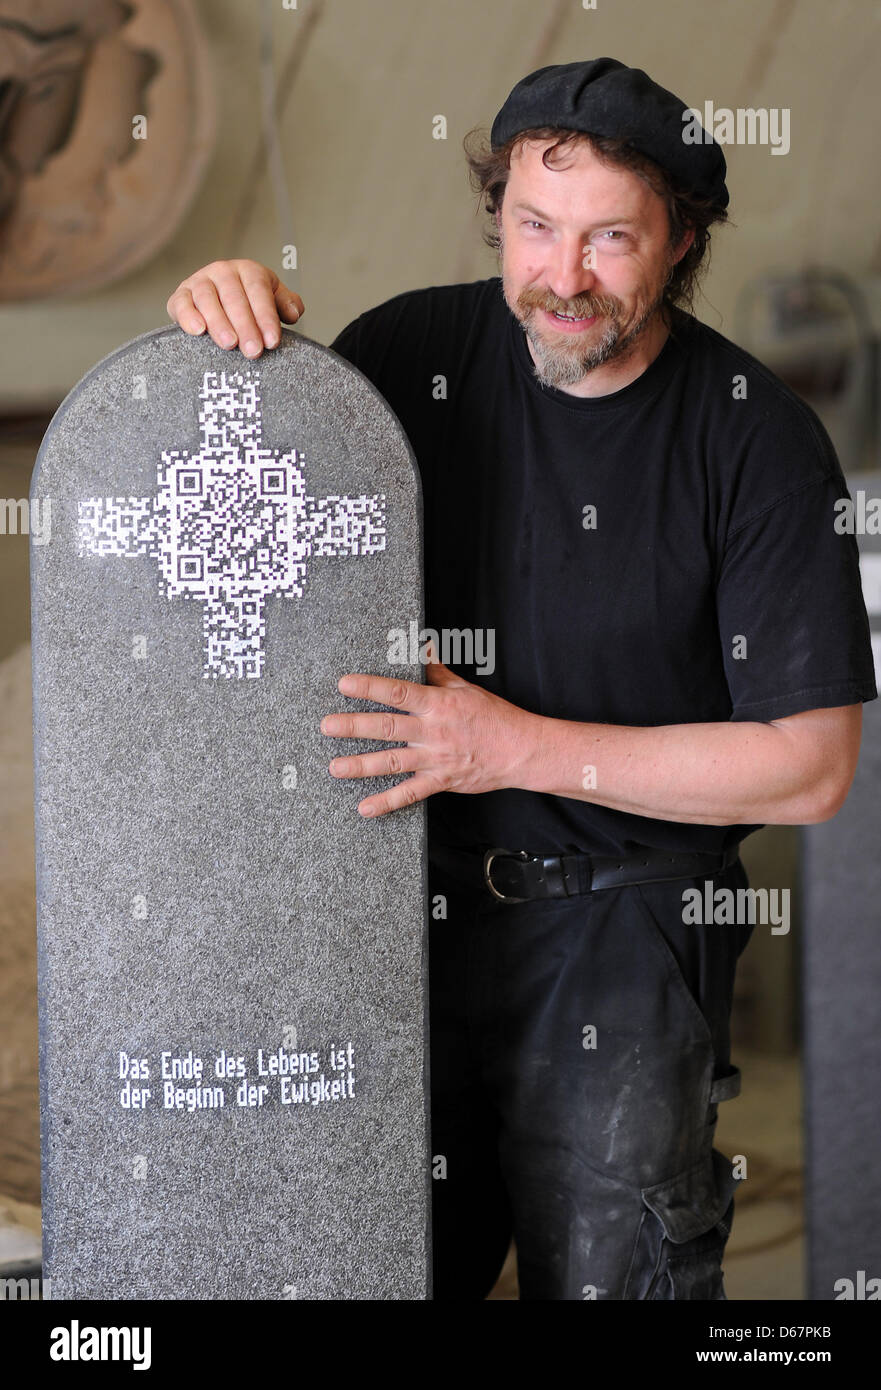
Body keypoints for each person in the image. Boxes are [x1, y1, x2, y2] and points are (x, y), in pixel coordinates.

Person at [166, 57, 877, 1300]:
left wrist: (508, 747)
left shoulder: (751, 436)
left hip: (623, 930)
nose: (561, 276)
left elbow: (809, 765)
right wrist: (222, 342)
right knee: (367, 1274)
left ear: (682, 240)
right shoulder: (406, 354)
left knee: (613, 1277)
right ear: (495, 212)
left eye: (609, 238)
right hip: (387, 912)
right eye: (533, 227)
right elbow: (231, 518)